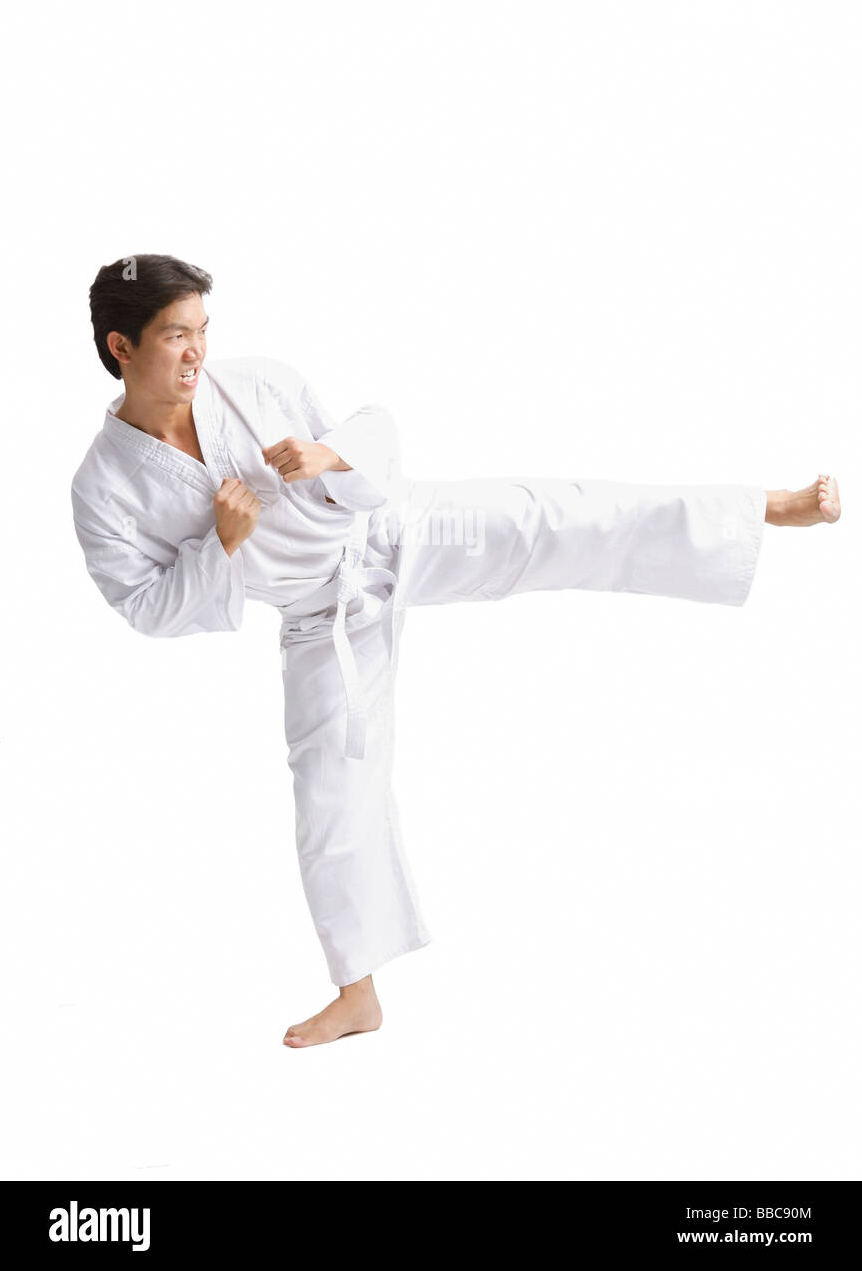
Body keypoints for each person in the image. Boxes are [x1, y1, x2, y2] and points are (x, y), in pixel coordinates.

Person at [71, 253, 842, 1050]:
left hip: (395, 531)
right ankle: (357, 994)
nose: (197, 352)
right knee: (331, 794)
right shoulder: (103, 486)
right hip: (317, 618)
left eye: (202, 330)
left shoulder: (257, 382)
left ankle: (761, 509)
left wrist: (330, 457)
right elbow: (144, 608)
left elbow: (372, 431)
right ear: (121, 346)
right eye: (175, 336)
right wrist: (220, 549)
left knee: (557, 514)